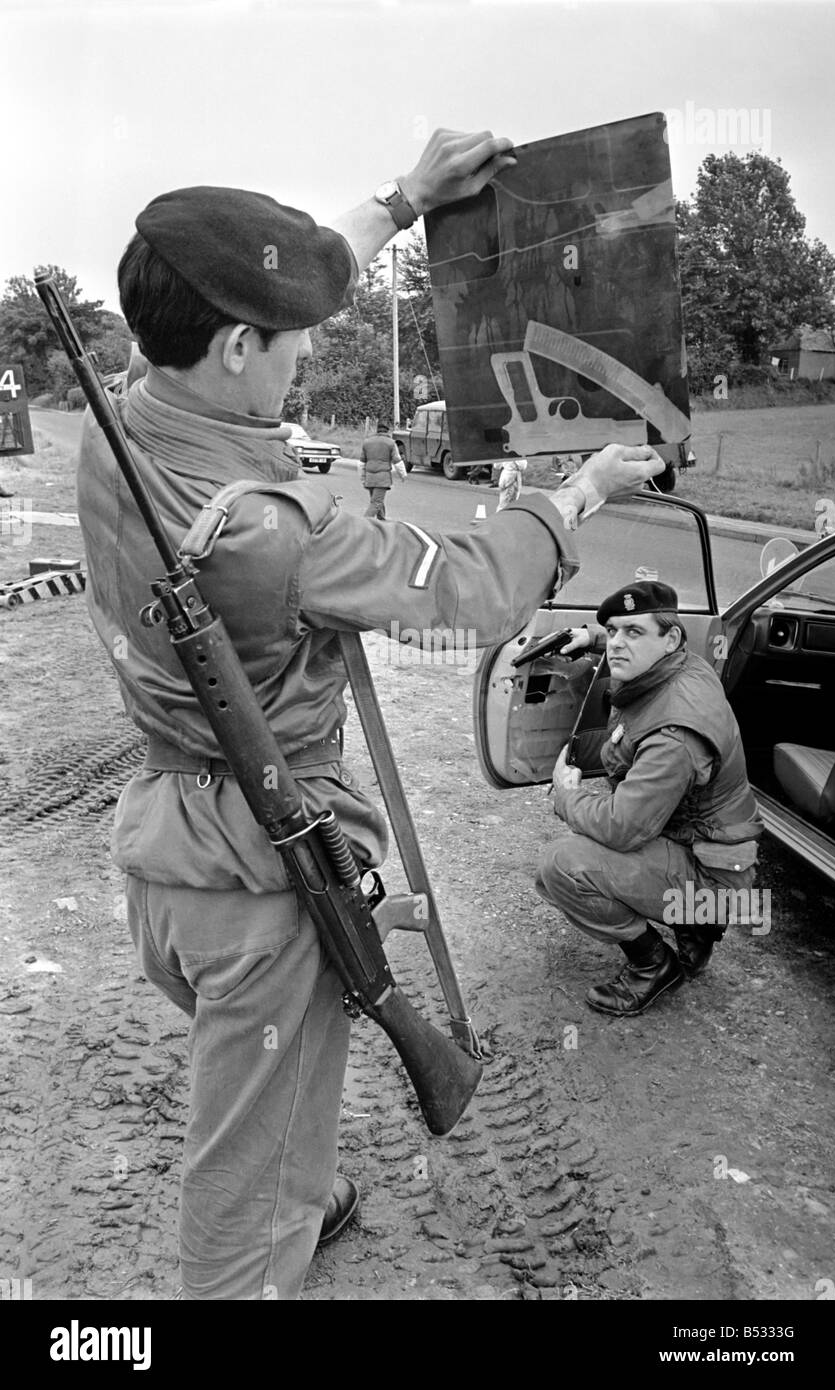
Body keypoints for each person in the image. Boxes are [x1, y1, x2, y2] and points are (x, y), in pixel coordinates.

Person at [76, 125, 665, 1300]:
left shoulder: (119, 423)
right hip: (264, 888)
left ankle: (298, 1206)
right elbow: (470, 588)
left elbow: (290, 288)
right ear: (240, 342)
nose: (306, 349)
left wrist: (402, 199)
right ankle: (260, 1250)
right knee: (233, 1187)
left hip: (172, 843)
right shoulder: (271, 533)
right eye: (291, 337)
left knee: (280, 1088)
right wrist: (575, 496)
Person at [535, 580, 764, 1018]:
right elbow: (639, 638)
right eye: (614, 631)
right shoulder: (685, 664)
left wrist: (567, 796)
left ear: (670, 639)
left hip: (715, 883)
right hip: (702, 846)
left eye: (632, 633)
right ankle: (695, 926)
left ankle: (653, 965)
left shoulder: (675, 733)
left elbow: (624, 828)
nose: (618, 644)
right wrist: (592, 637)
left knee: (561, 866)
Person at [358, 421, 406, 518]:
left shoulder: (367, 442)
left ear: (377, 430)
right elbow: (397, 461)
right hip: (382, 478)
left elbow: (361, 463)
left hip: (370, 478)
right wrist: (403, 475)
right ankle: (363, 523)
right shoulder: (391, 443)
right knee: (376, 503)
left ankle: (382, 521)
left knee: (377, 500)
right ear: (387, 431)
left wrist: (362, 478)